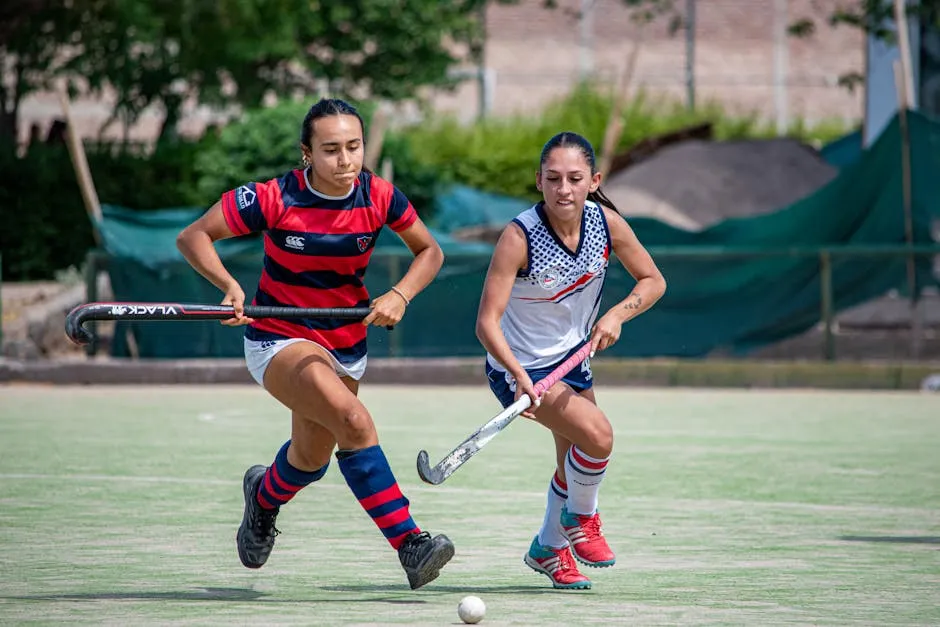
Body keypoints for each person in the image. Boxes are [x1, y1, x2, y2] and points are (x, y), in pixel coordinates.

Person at [176, 98, 455, 590]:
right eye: (331, 150)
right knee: (353, 421)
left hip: (347, 342)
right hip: (279, 337)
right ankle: (410, 543)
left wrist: (400, 294)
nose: (345, 160)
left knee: (310, 459)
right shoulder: (272, 197)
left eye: (354, 147)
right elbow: (194, 237)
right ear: (306, 153)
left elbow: (429, 252)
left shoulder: (379, 196)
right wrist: (230, 287)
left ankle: (263, 496)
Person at [475, 131, 666, 590]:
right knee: (598, 436)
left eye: (575, 178)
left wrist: (617, 316)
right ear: (538, 181)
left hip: (573, 359)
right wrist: (520, 376)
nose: (564, 189)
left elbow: (653, 280)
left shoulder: (607, 224)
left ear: (593, 180)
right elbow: (486, 323)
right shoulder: (519, 236)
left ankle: (548, 548)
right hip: (519, 368)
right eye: (554, 178)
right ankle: (582, 519)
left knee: (573, 463)